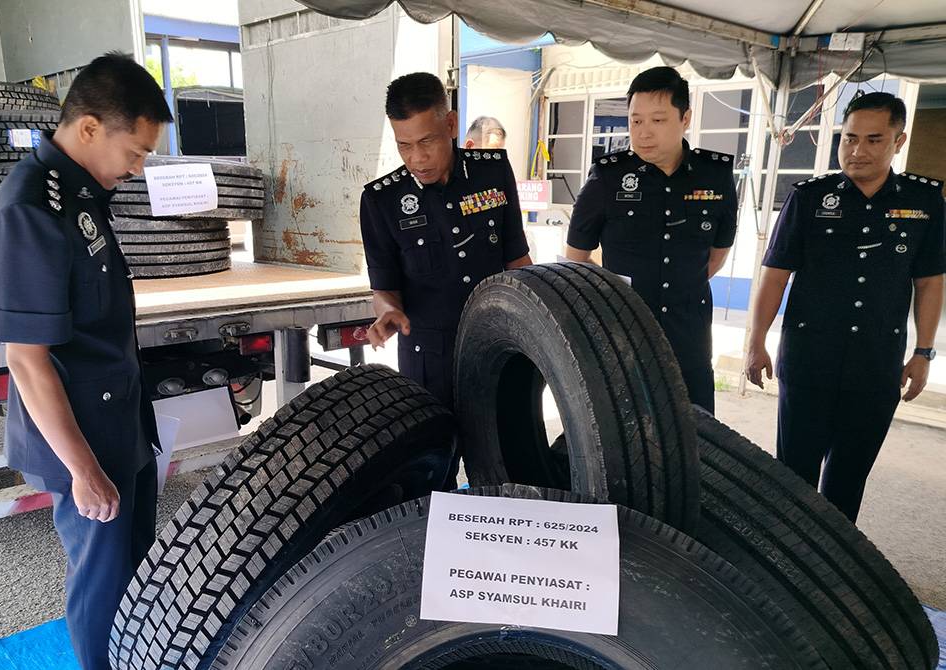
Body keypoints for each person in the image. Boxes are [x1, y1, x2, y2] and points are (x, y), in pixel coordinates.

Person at [0, 52, 172, 670]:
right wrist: (84, 470)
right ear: (89, 128)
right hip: (82, 438)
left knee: (137, 572)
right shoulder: (30, 209)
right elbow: (26, 359)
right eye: (136, 151)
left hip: (118, 422)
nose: (138, 168)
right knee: (102, 585)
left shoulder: (82, 192)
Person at [745, 91, 945, 523]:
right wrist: (756, 341)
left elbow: (929, 282)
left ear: (899, 140)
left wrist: (924, 352)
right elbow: (775, 275)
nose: (857, 151)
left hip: (876, 364)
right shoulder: (810, 198)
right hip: (808, 358)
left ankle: (832, 574)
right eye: (848, 138)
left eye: (873, 139)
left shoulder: (925, 202)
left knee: (849, 478)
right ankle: (786, 564)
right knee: (793, 474)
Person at [564, 66, 737, 413]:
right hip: (624, 333)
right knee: (624, 428)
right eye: (635, 121)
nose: (643, 133)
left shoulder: (714, 175)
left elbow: (717, 254)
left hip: (689, 331)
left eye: (657, 120)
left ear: (685, 117)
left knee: (696, 428)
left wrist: (678, 287)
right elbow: (575, 258)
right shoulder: (608, 178)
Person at [359, 72, 532, 408]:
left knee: (512, 455)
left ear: (451, 125)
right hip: (428, 362)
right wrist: (389, 312)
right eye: (404, 145)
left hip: (502, 348)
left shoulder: (493, 172)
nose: (416, 158)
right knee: (434, 458)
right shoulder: (382, 201)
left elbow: (518, 260)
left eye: (426, 142)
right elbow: (384, 288)